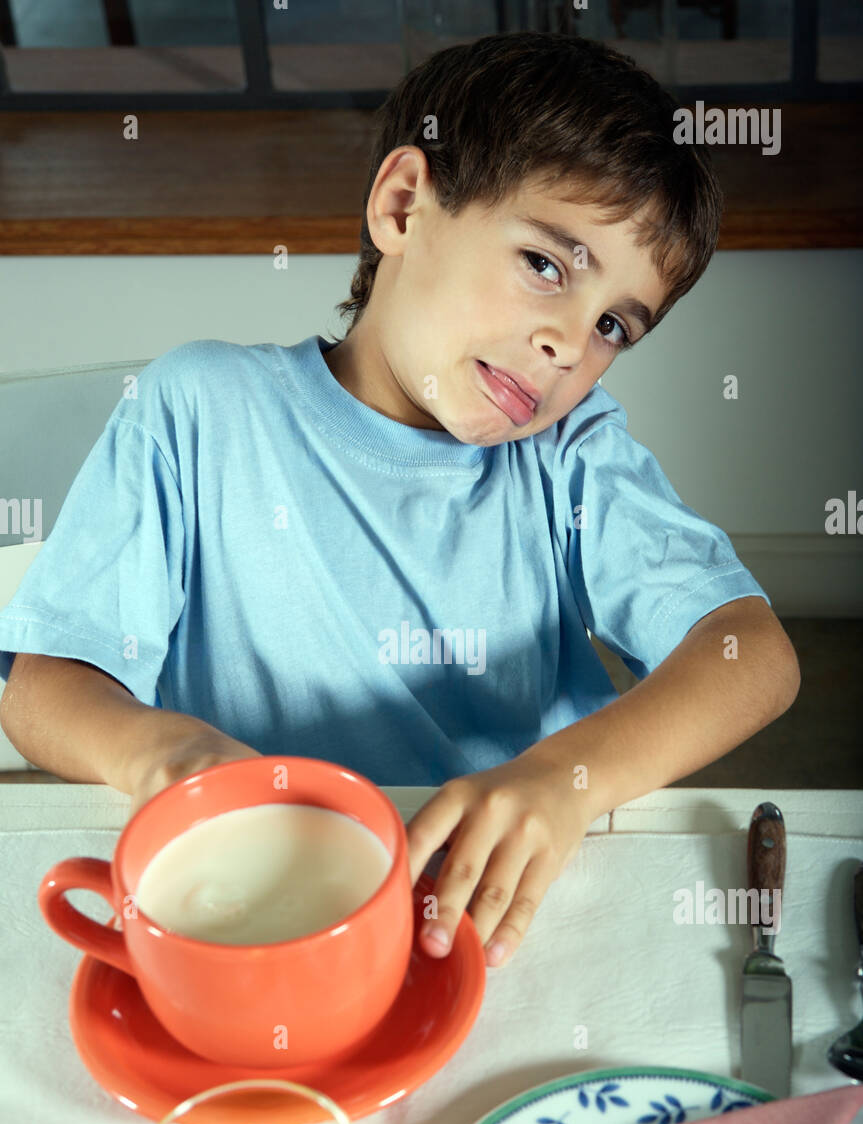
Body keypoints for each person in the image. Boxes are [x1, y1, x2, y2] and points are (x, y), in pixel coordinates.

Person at [0, 33, 799, 972]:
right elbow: (46, 687)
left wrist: (562, 780)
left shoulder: (568, 452)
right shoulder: (198, 409)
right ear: (402, 205)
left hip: (493, 914)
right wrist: (161, 754)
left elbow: (754, 658)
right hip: (259, 910)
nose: (566, 348)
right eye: (546, 264)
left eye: (613, 326)